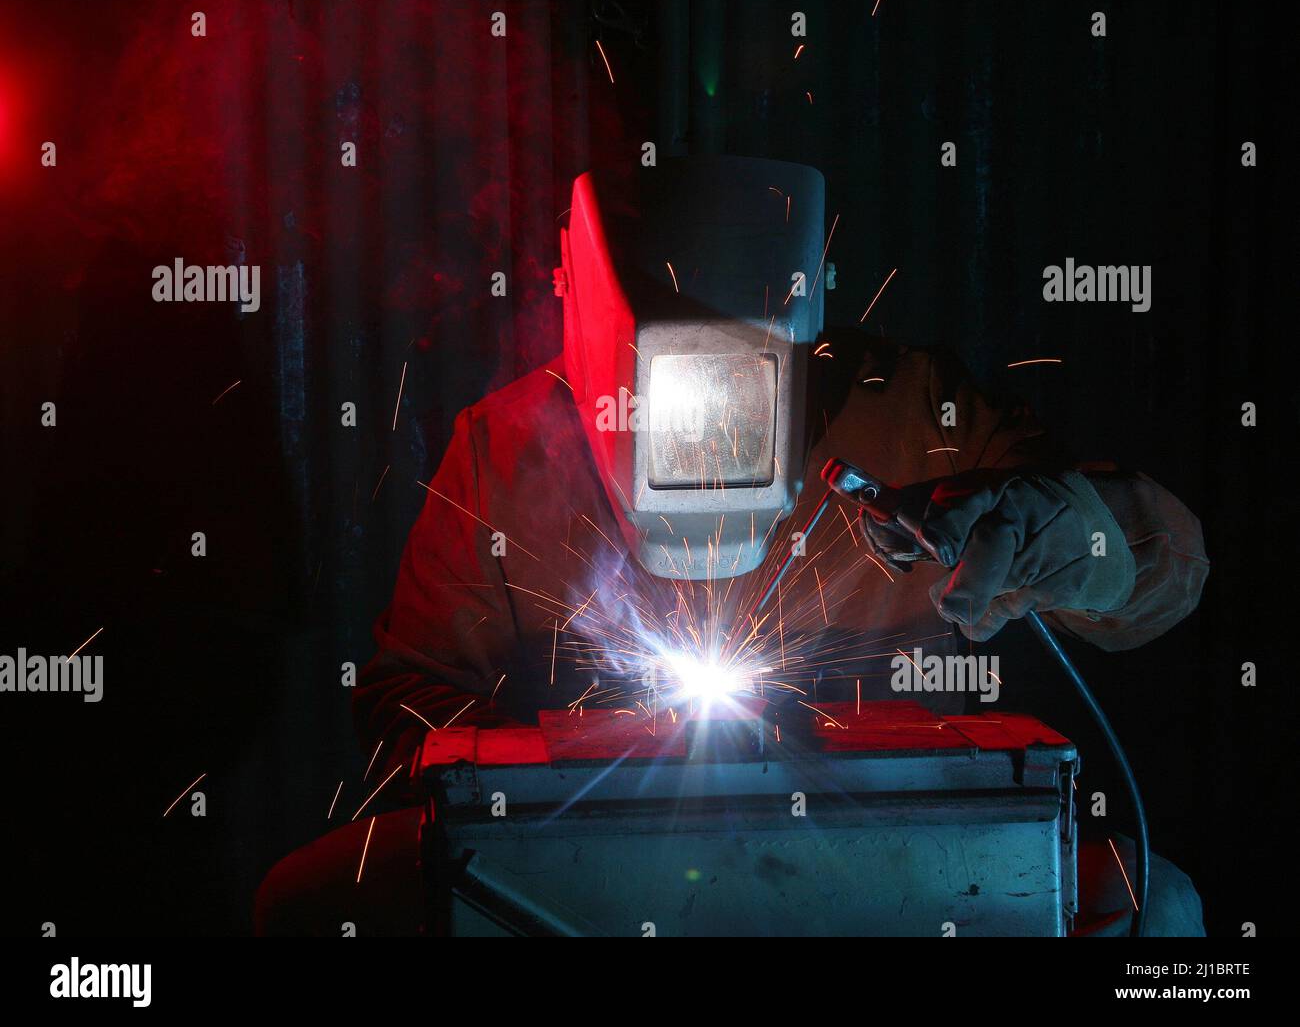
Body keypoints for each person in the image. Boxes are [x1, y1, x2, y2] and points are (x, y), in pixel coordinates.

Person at [257, 158, 1208, 936]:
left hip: (893, 860)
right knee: (305, 905)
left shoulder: (914, 417)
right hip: (583, 867)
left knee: (1160, 911)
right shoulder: (505, 449)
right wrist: (568, 763)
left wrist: (1085, 534)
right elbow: (403, 705)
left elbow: (1171, 569)